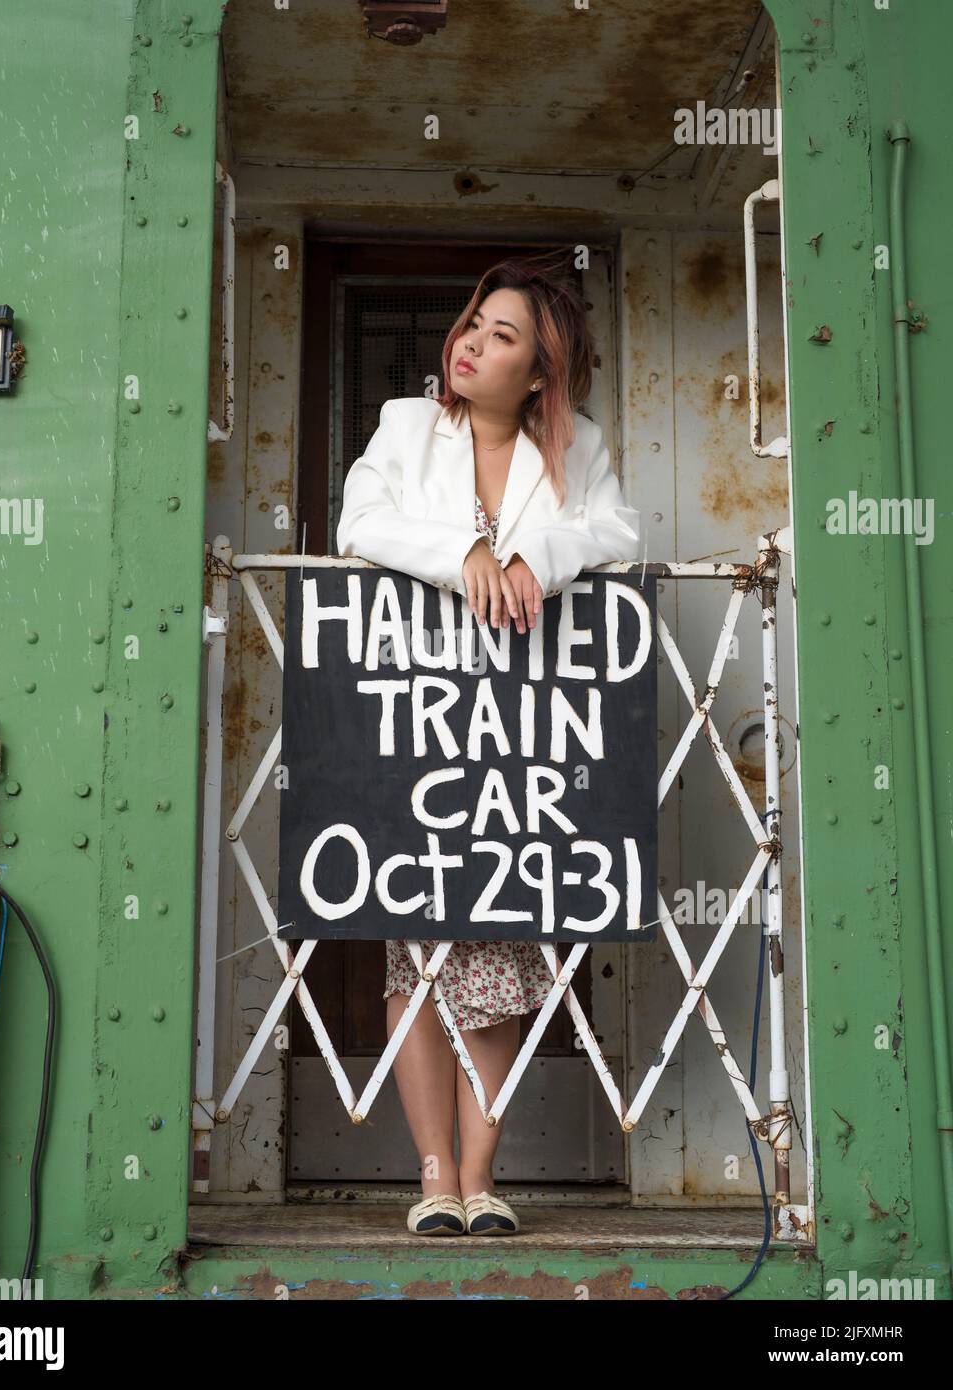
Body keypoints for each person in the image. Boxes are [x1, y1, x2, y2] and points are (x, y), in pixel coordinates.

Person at [336, 251, 642, 1236]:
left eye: (499, 335)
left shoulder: (576, 446)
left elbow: (617, 535)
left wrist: (529, 558)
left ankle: (479, 1175)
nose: (471, 343)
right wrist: (461, 554)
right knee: (415, 947)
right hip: (417, 726)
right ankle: (431, 1175)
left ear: (541, 372)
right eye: (473, 322)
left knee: (500, 947)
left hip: (523, 733)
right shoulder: (405, 426)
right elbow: (357, 524)